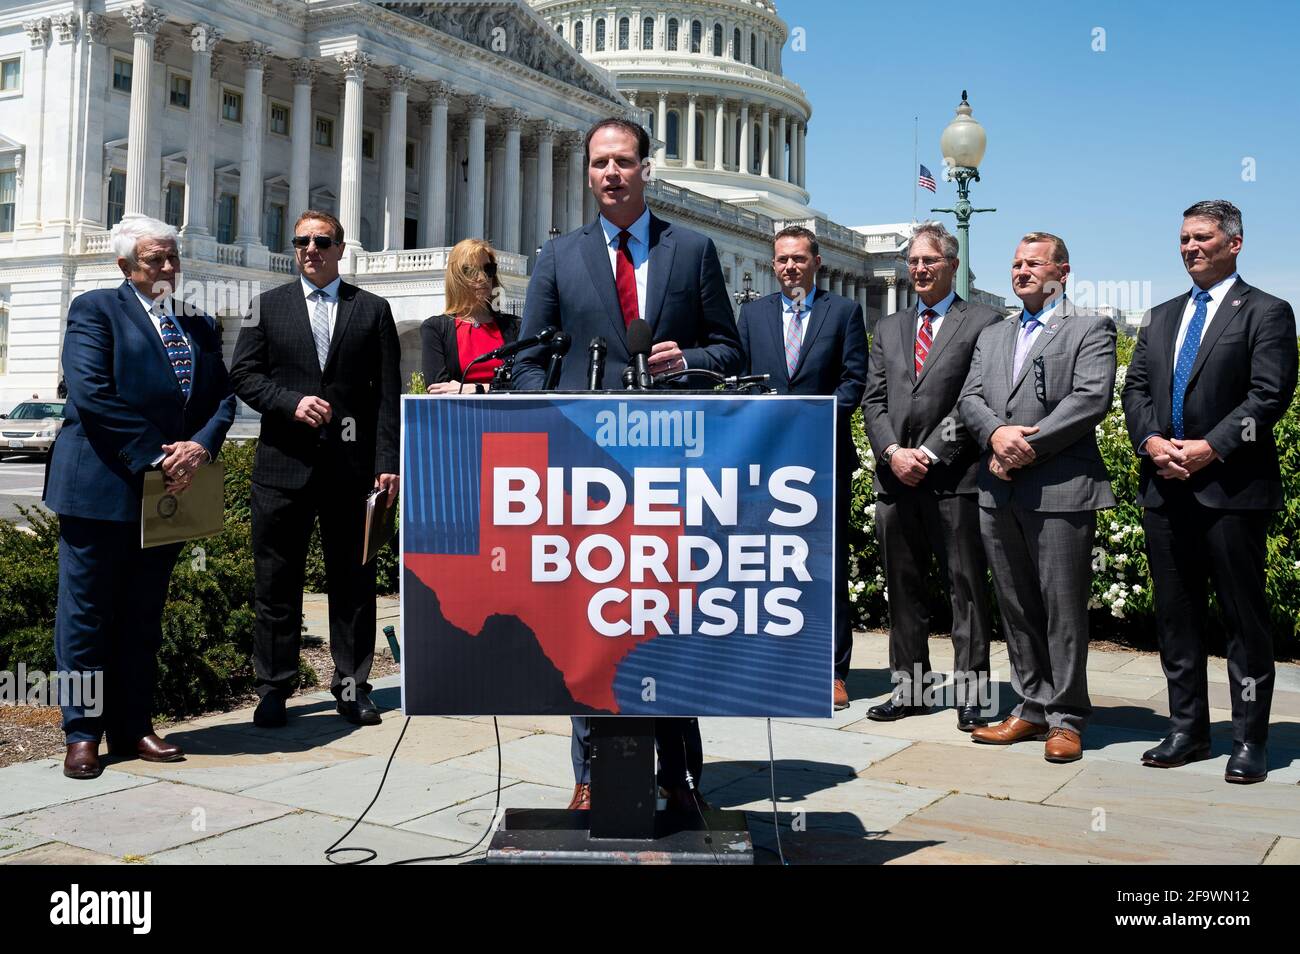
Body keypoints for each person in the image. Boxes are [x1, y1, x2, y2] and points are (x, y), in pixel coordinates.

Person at [515, 117, 743, 813]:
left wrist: (691, 360)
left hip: (674, 471)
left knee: (668, 620)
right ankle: (590, 772)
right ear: (588, 173)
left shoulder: (694, 250)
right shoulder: (558, 257)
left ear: (648, 168)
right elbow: (528, 363)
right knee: (590, 623)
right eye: (599, 163)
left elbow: (732, 353)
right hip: (588, 476)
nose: (610, 173)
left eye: (623, 161)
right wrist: (558, 419)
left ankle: (680, 775)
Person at [45, 216, 235, 779]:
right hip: (100, 490)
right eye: (157, 260)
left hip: (168, 496)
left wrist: (198, 449)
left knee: (142, 616)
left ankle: (134, 726)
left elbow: (223, 398)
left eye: (174, 258)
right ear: (126, 266)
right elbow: (91, 394)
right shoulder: (96, 310)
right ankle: (83, 733)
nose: (170, 269)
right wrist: (158, 455)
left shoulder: (198, 324)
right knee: (86, 617)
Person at [1121, 200, 1298, 784]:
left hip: (1231, 491)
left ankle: (1250, 738)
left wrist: (1209, 448)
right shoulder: (1159, 316)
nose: (1190, 247)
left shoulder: (1267, 313)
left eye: (1202, 238)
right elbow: (1137, 389)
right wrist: (1152, 443)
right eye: (1184, 239)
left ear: (1235, 244)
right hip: (1164, 488)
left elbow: (1268, 396)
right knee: (1177, 617)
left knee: (1243, 621)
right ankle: (1187, 730)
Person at [229, 210, 401, 730]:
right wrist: (289, 402)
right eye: (301, 241)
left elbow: (388, 397)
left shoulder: (371, 310)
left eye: (321, 240)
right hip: (282, 470)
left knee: (353, 585)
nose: (310, 249)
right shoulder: (267, 307)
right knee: (276, 584)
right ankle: (274, 690)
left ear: (340, 248)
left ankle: (352, 687)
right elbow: (242, 374)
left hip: (351, 476)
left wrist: (387, 465)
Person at [958, 232, 1117, 763]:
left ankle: (1067, 719)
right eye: (1016, 263)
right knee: (1017, 605)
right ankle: (1031, 707)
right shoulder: (994, 333)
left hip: (1061, 490)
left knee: (1062, 608)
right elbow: (971, 397)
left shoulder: (1090, 327)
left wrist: (1023, 443)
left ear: (1062, 272)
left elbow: (1091, 399)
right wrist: (994, 437)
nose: (1022, 271)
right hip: (997, 488)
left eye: (1034, 263)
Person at [861, 222, 1001, 731]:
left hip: (956, 481)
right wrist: (894, 452)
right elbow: (872, 401)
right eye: (913, 262)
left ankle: (972, 694)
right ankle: (911, 691)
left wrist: (931, 452)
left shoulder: (984, 320)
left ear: (951, 264)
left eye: (929, 262)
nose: (918, 270)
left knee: (965, 590)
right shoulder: (889, 328)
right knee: (904, 590)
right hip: (895, 481)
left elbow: (979, 396)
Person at [736, 224, 866, 710]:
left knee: (823, 566)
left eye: (798, 258)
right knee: (766, 567)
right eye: (782, 260)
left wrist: (813, 415)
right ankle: (770, 663)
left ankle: (832, 669)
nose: (790, 266)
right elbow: (742, 382)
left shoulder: (844, 312)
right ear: (774, 265)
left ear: (816, 263)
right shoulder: (752, 315)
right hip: (765, 463)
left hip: (823, 459)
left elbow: (856, 382)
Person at [421, 239, 519, 394]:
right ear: (456, 277)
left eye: (488, 269)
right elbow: (438, 388)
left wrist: (479, 388)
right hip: (461, 416)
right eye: (471, 271)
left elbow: (527, 382)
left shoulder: (515, 326)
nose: (482, 277)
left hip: (508, 415)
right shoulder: (435, 328)